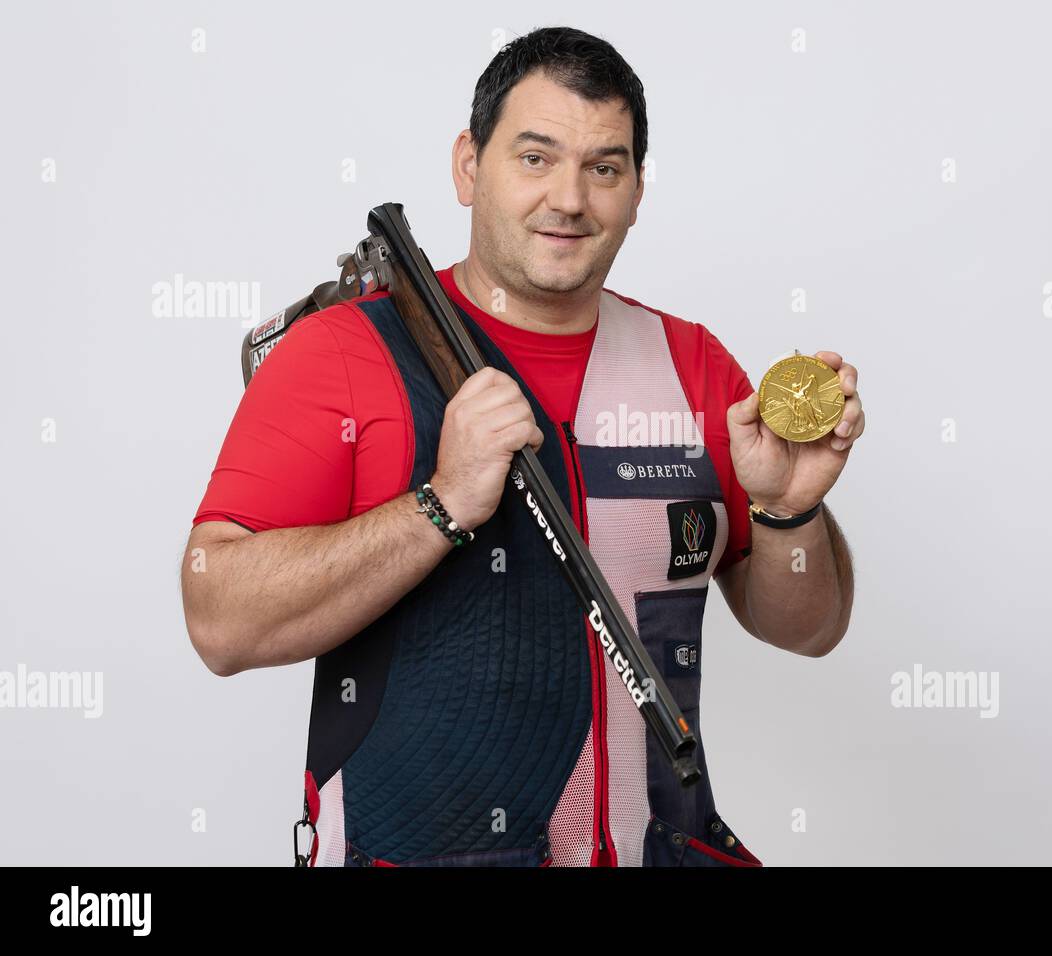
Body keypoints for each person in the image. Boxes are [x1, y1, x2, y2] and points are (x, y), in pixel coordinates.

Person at [181, 25, 862, 867]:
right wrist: (438, 506)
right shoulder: (343, 355)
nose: (569, 200)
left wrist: (790, 511)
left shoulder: (692, 366)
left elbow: (809, 629)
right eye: (535, 158)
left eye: (604, 168)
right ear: (469, 165)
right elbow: (218, 620)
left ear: (638, 189)